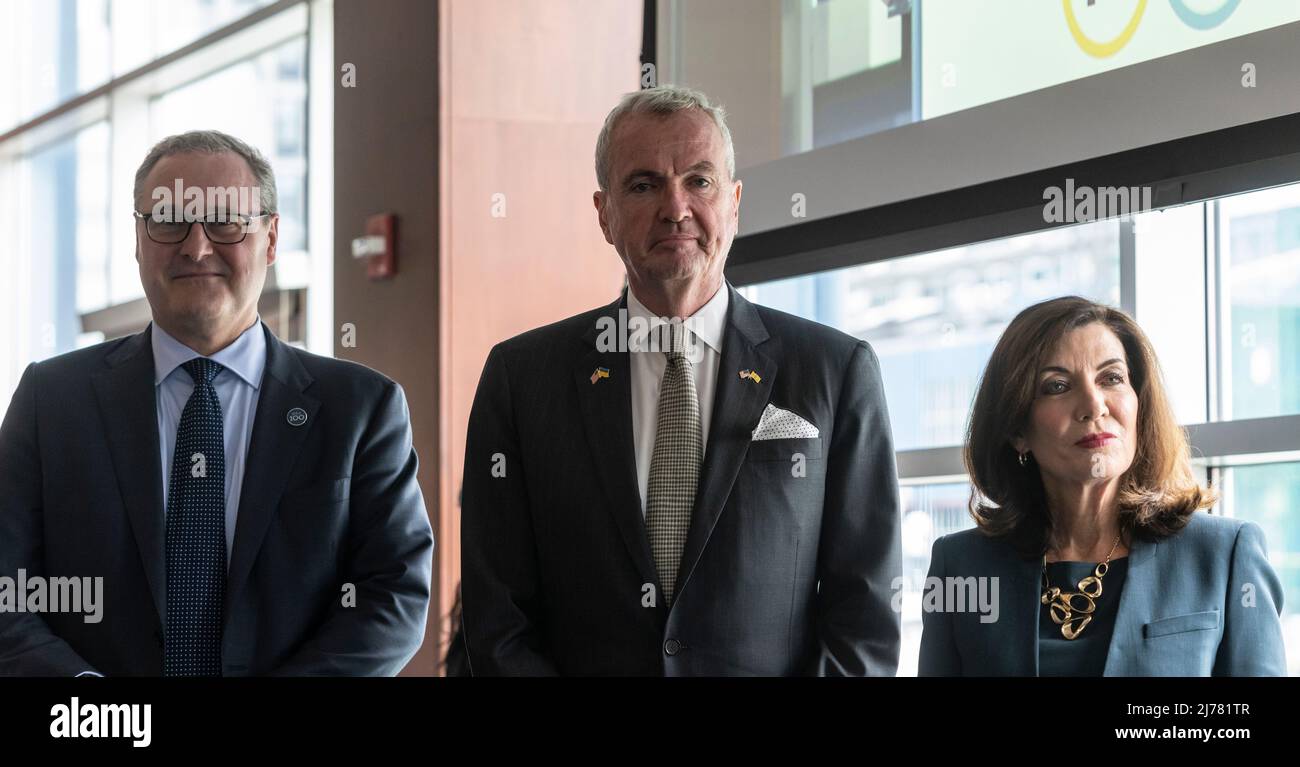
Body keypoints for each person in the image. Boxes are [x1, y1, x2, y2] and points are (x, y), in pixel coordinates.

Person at [460, 85, 901, 675]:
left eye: (700, 181)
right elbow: (498, 621)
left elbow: (865, 622)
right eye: (643, 185)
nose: (675, 208)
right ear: (604, 214)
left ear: (735, 203)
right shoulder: (521, 380)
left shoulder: (834, 371)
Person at [0, 130, 433, 676]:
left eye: (225, 219)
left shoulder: (362, 409)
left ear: (271, 239)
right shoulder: (51, 401)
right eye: (169, 218)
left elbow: (393, 595)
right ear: (138, 240)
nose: (196, 245)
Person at [919, 296, 1286, 676]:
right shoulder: (958, 566)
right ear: (1017, 430)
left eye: (1111, 378)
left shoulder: (1225, 554)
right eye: (1057, 386)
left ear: (1138, 402)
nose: (1094, 406)